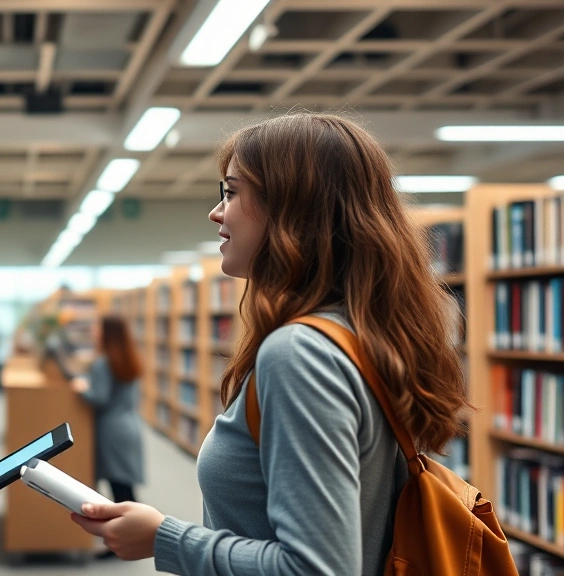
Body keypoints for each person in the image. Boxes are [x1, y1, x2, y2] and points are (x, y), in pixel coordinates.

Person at [71, 113, 470, 575]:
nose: (216, 212)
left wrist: (165, 538)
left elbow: (315, 568)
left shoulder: (301, 353)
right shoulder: (366, 338)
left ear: (292, 209)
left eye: (232, 192)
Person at [70, 315, 145, 507]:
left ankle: (135, 534)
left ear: (107, 333)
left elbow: (99, 398)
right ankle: (136, 532)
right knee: (124, 490)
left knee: (120, 495)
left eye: (98, 327)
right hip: (130, 427)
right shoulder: (128, 358)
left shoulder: (103, 363)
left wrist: (82, 389)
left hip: (111, 432)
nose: (94, 331)